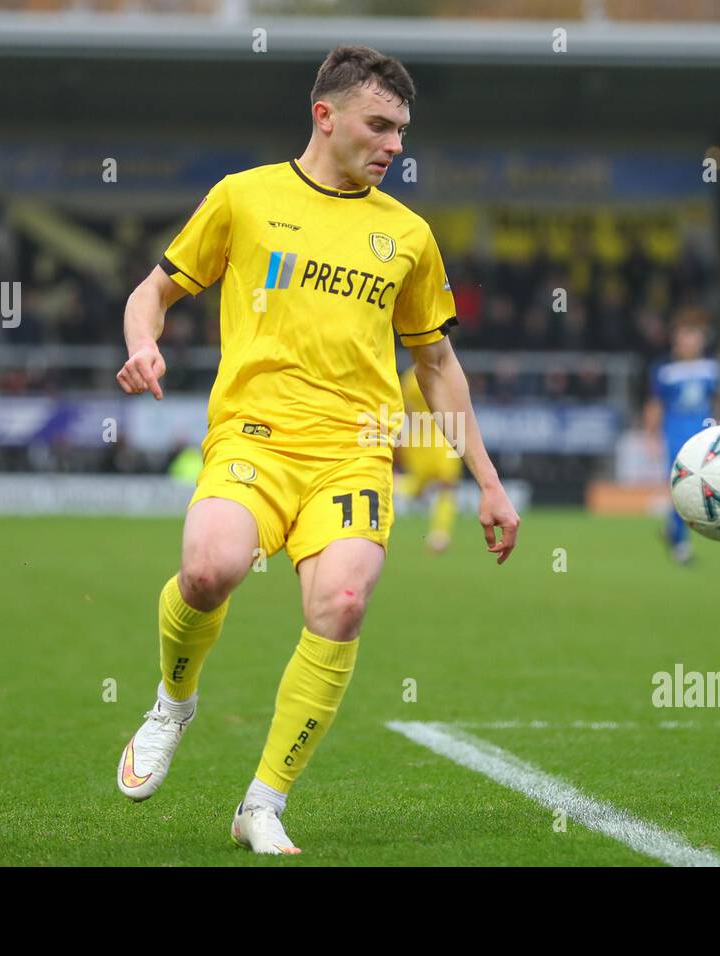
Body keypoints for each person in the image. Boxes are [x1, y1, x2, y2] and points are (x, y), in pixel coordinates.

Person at [112, 45, 519, 854]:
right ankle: (173, 702)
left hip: (357, 451)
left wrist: (489, 483)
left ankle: (263, 801)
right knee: (208, 569)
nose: (395, 144)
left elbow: (436, 364)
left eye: (402, 130)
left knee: (341, 603)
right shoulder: (244, 197)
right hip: (254, 434)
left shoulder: (408, 236)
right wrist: (142, 342)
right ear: (324, 116)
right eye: (380, 125)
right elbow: (154, 289)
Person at [642, 312, 720, 564]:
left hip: (704, 436)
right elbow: (654, 405)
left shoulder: (712, 368)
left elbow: (719, 402)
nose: (690, 341)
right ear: (676, 339)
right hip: (676, 436)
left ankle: (672, 529)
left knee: (703, 490)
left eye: (694, 335)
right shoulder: (664, 370)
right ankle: (680, 545)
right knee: (682, 490)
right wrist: (652, 437)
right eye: (685, 335)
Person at [395, 364, 463, 552]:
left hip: (438, 438)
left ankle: (440, 535)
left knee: (447, 484)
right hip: (427, 440)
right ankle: (392, 485)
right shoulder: (414, 379)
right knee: (419, 488)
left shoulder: (413, 378)